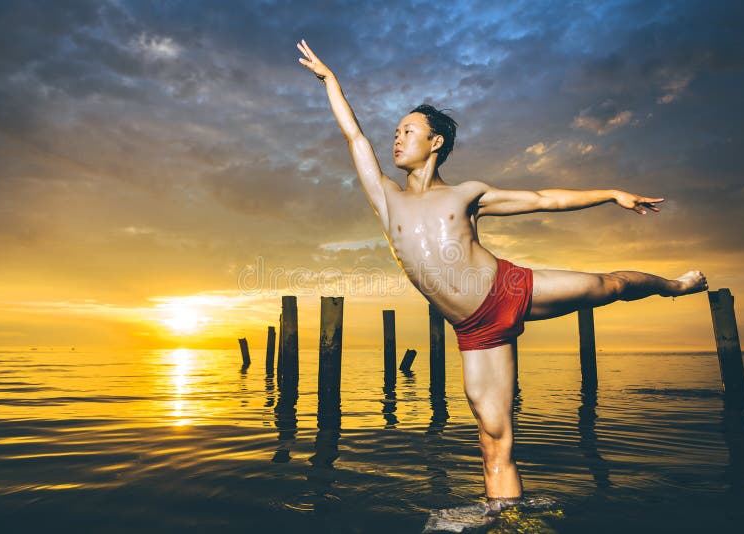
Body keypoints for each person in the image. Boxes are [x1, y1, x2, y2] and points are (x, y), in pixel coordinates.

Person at [296, 39, 707, 512]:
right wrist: (331, 81)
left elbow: (543, 199)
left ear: (436, 142)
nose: (396, 138)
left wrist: (612, 193)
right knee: (494, 438)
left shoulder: (468, 193)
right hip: (473, 330)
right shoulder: (386, 198)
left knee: (609, 286)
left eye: (408, 130)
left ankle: (675, 286)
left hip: (508, 288)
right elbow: (355, 137)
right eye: (395, 131)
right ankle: (506, 517)